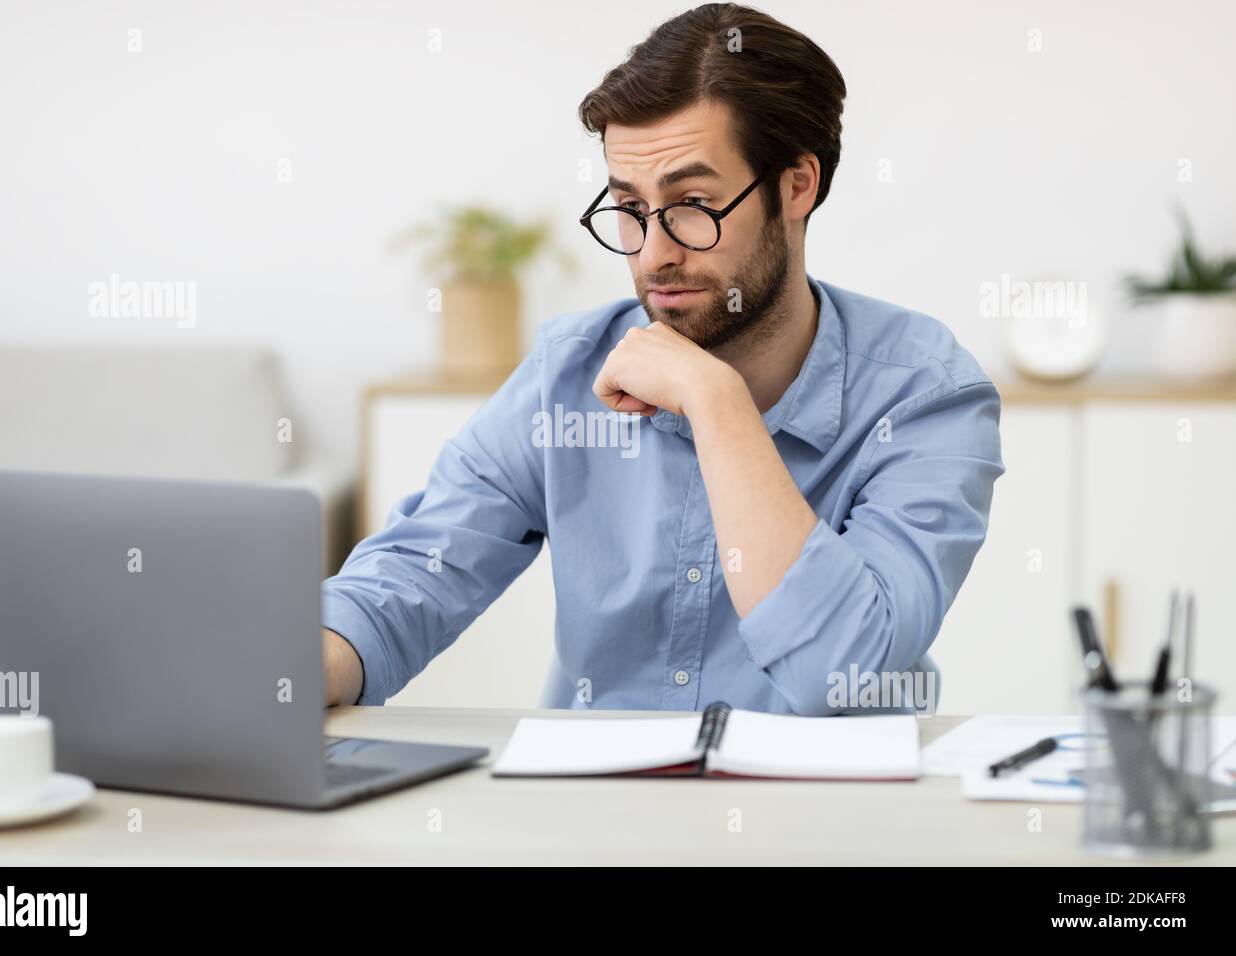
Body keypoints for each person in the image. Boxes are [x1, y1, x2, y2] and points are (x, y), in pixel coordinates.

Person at [321, 3, 1004, 715]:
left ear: (797, 185)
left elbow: (839, 671)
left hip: (829, 788)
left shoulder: (924, 393)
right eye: (629, 208)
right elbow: (409, 582)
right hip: (601, 785)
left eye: (693, 204)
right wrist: (298, 668)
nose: (653, 255)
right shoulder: (569, 371)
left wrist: (717, 403)